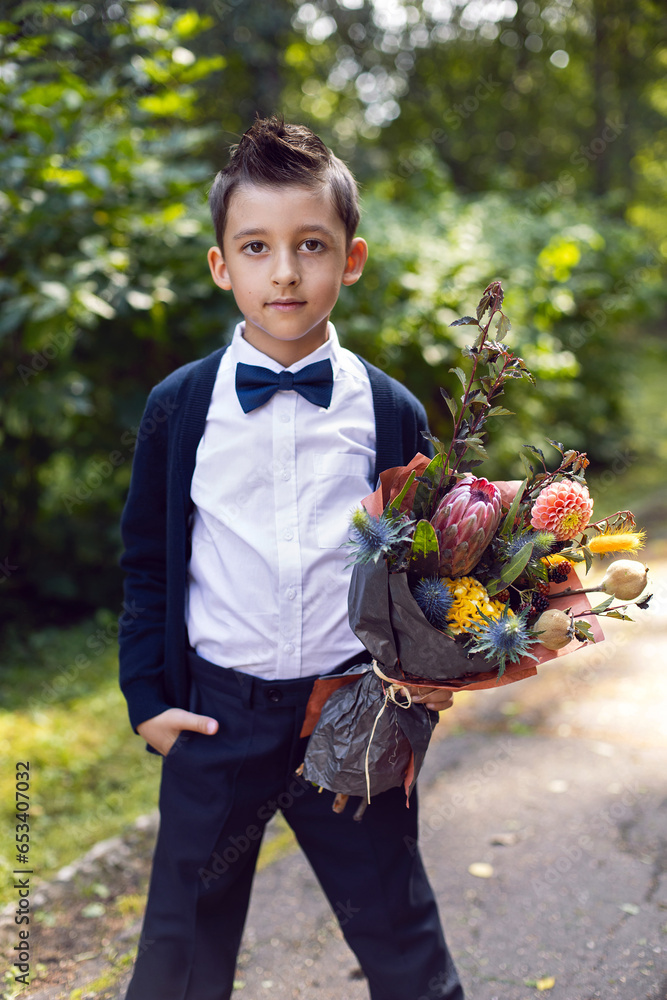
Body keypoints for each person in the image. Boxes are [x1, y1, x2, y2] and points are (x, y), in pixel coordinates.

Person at [119, 114, 464, 1000]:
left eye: (310, 245)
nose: (284, 272)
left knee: (401, 938)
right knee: (179, 959)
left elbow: (421, 574)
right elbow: (149, 562)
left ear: (349, 258)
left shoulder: (389, 413)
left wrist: (429, 671)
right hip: (214, 717)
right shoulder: (179, 408)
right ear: (220, 264)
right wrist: (147, 700)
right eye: (257, 247)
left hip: (350, 712)